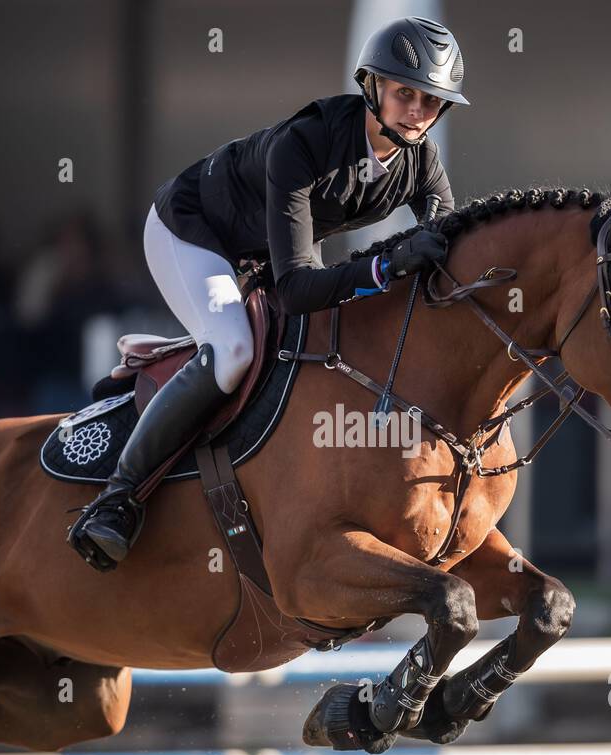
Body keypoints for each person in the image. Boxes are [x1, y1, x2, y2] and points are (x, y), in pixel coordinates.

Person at [69, 15, 467, 570]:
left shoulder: (422, 161)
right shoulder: (306, 142)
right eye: (406, 94)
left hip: (261, 252)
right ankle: (115, 502)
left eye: (432, 101)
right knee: (233, 351)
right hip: (191, 228)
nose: (419, 113)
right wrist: (384, 265)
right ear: (372, 86)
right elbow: (300, 287)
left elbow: (447, 241)